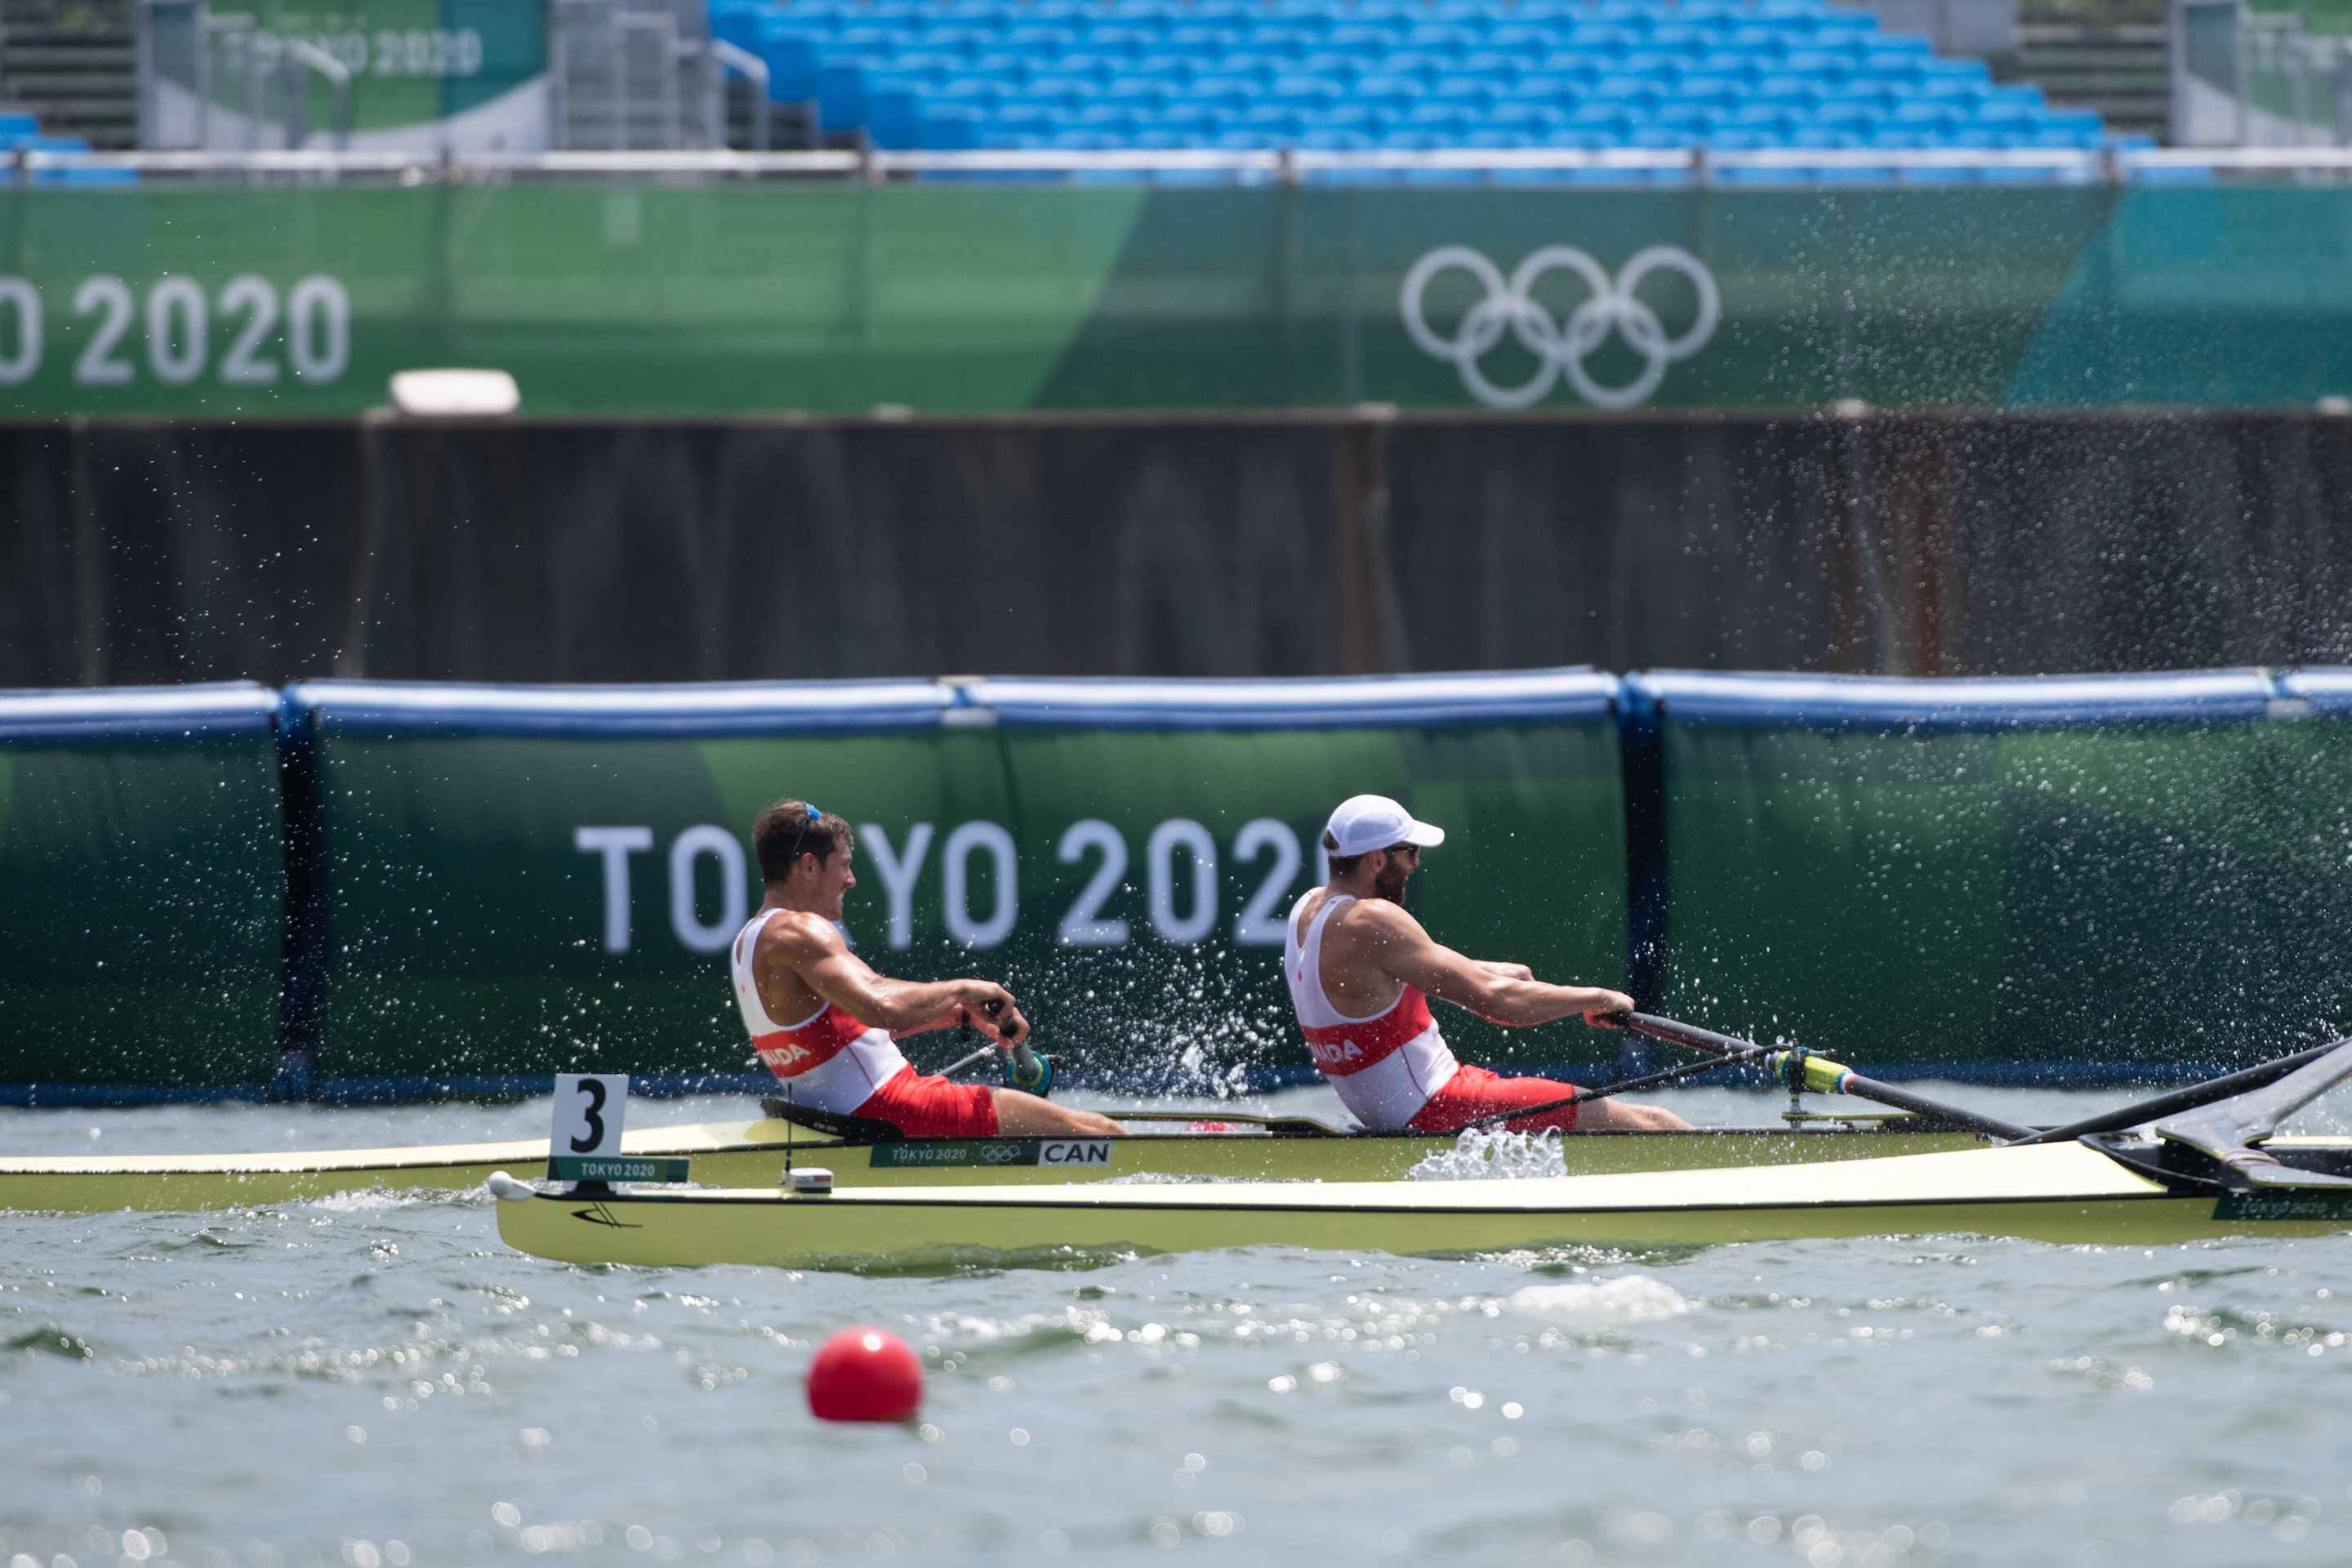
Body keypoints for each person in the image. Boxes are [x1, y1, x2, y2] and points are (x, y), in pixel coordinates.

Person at [1284, 794, 1690, 1134]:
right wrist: (1596, 997)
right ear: (1376, 860)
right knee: (1653, 1121)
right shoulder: (1374, 920)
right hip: (1439, 1105)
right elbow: (1502, 1005)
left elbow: (1397, 973)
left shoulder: (1308, 910)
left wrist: (1489, 972)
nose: (1417, 864)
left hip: (1392, 1112)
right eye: (1410, 852)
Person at [732, 800, 1123, 1138]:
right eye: (845, 865)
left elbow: (857, 1025)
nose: (851, 880)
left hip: (836, 1117)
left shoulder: (748, 941)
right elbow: (883, 1007)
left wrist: (961, 1016)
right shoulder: (801, 930)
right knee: (1105, 1133)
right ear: (809, 866)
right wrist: (963, 989)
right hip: (895, 1109)